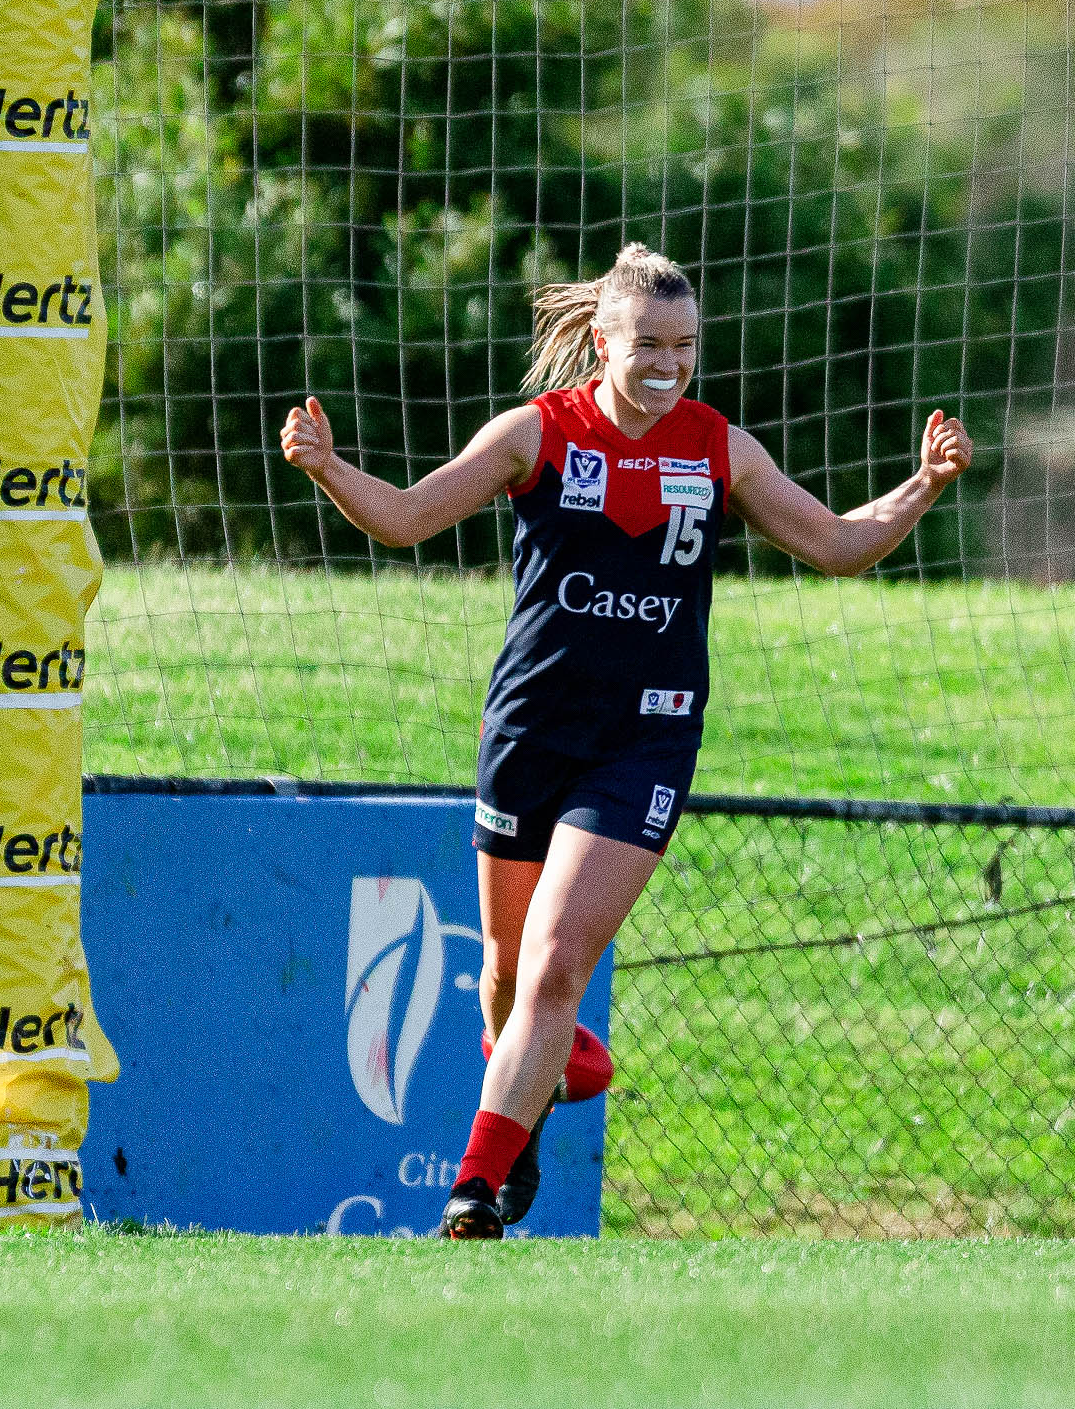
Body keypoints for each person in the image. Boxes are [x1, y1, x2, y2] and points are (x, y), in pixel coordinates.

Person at [279, 244, 973, 1239]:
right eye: (647, 343)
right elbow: (403, 521)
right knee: (508, 979)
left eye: (684, 346)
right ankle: (529, 1093)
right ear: (601, 342)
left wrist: (922, 484)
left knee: (559, 967)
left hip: (643, 740)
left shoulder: (717, 447)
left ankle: (474, 1188)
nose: (668, 363)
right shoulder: (536, 433)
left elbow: (835, 545)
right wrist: (329, 465)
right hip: (529, 727)